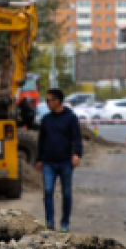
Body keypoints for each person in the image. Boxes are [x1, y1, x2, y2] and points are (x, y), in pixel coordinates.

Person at [35, 88, 83, 232]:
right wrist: (39, 159)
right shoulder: (46, 119)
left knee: (66, 193)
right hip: (48, 162)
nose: (47, 103)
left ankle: (64, 223)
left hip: (65, 162)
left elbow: (77, 138)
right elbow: (41, 140)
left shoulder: (71, 118)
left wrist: (77, 154)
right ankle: (49, 222)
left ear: (57, 101)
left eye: (49, 100)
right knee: (48, 191)